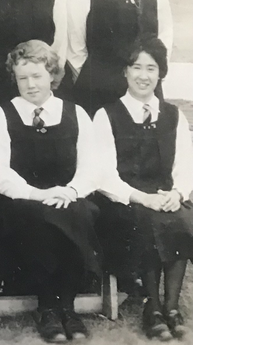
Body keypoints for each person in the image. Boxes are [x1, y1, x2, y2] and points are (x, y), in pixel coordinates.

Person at [0, 40, 102, 343]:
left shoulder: (76, 113)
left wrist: (71, 190)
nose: (30, 85)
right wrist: (36, 194)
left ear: (52, 75)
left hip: (67, 198)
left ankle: (68, 305)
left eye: (37, 76)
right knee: (38, 219)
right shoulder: (3, 114)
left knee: (81, 213)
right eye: (23, 78)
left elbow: (92, 166)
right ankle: (48, 306)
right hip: (23, 200)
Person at [92, 37, 191, 340]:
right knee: (148, 222)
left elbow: (185, 167)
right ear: (125, 72)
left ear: (160, 74)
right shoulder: (106, 115)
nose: (143, 75)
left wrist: (177, 194)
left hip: (164, 196)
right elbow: (104, 175)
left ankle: (172, 306)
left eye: (151, 68)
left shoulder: (174, 116)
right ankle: (153, 305)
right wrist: (140, 198)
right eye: (136, 67)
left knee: (182, 218)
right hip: (125, 199)